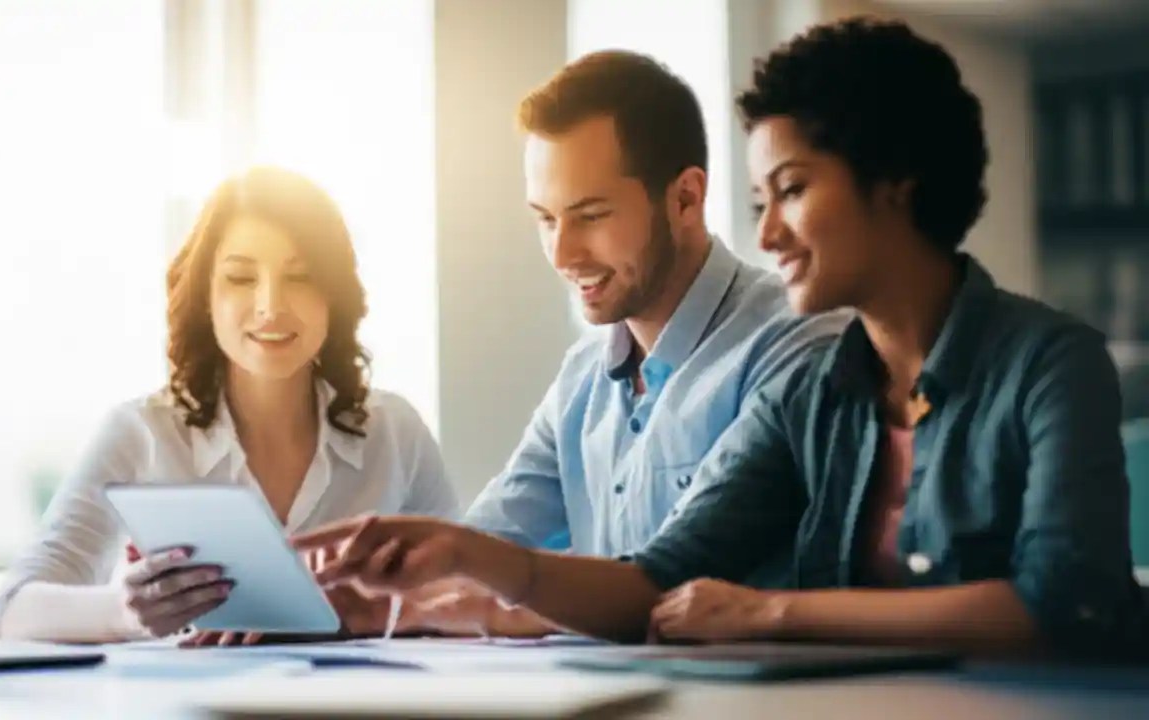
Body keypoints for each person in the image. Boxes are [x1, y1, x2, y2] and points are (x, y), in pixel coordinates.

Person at [295, 18, 1147, 659]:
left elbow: (1066, 601)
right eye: (759, 202)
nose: (769, 234)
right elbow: (658, 578)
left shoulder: (1045, 362)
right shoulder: (814, 394)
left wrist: (776, 612)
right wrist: (459, 557)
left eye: (793, 191)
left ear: (895, 184)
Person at [405, 49, 845, 637]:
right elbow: (484, 546)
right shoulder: (582, 376)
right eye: (545, 219)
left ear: (685, 198)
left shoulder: (795, 346)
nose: (562, 255)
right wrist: (343, 602)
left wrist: (490, 602)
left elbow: (665, 585)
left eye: (590, 215)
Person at [0, 167, 457, 643]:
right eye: (240, 278)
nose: (270, 305)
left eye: (301, 277)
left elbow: (468, 596)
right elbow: (14, 611)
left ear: (333, 297)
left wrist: (378, 609)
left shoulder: (395, 433)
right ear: (206, 298)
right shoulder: (142, 433)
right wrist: (123, 612)